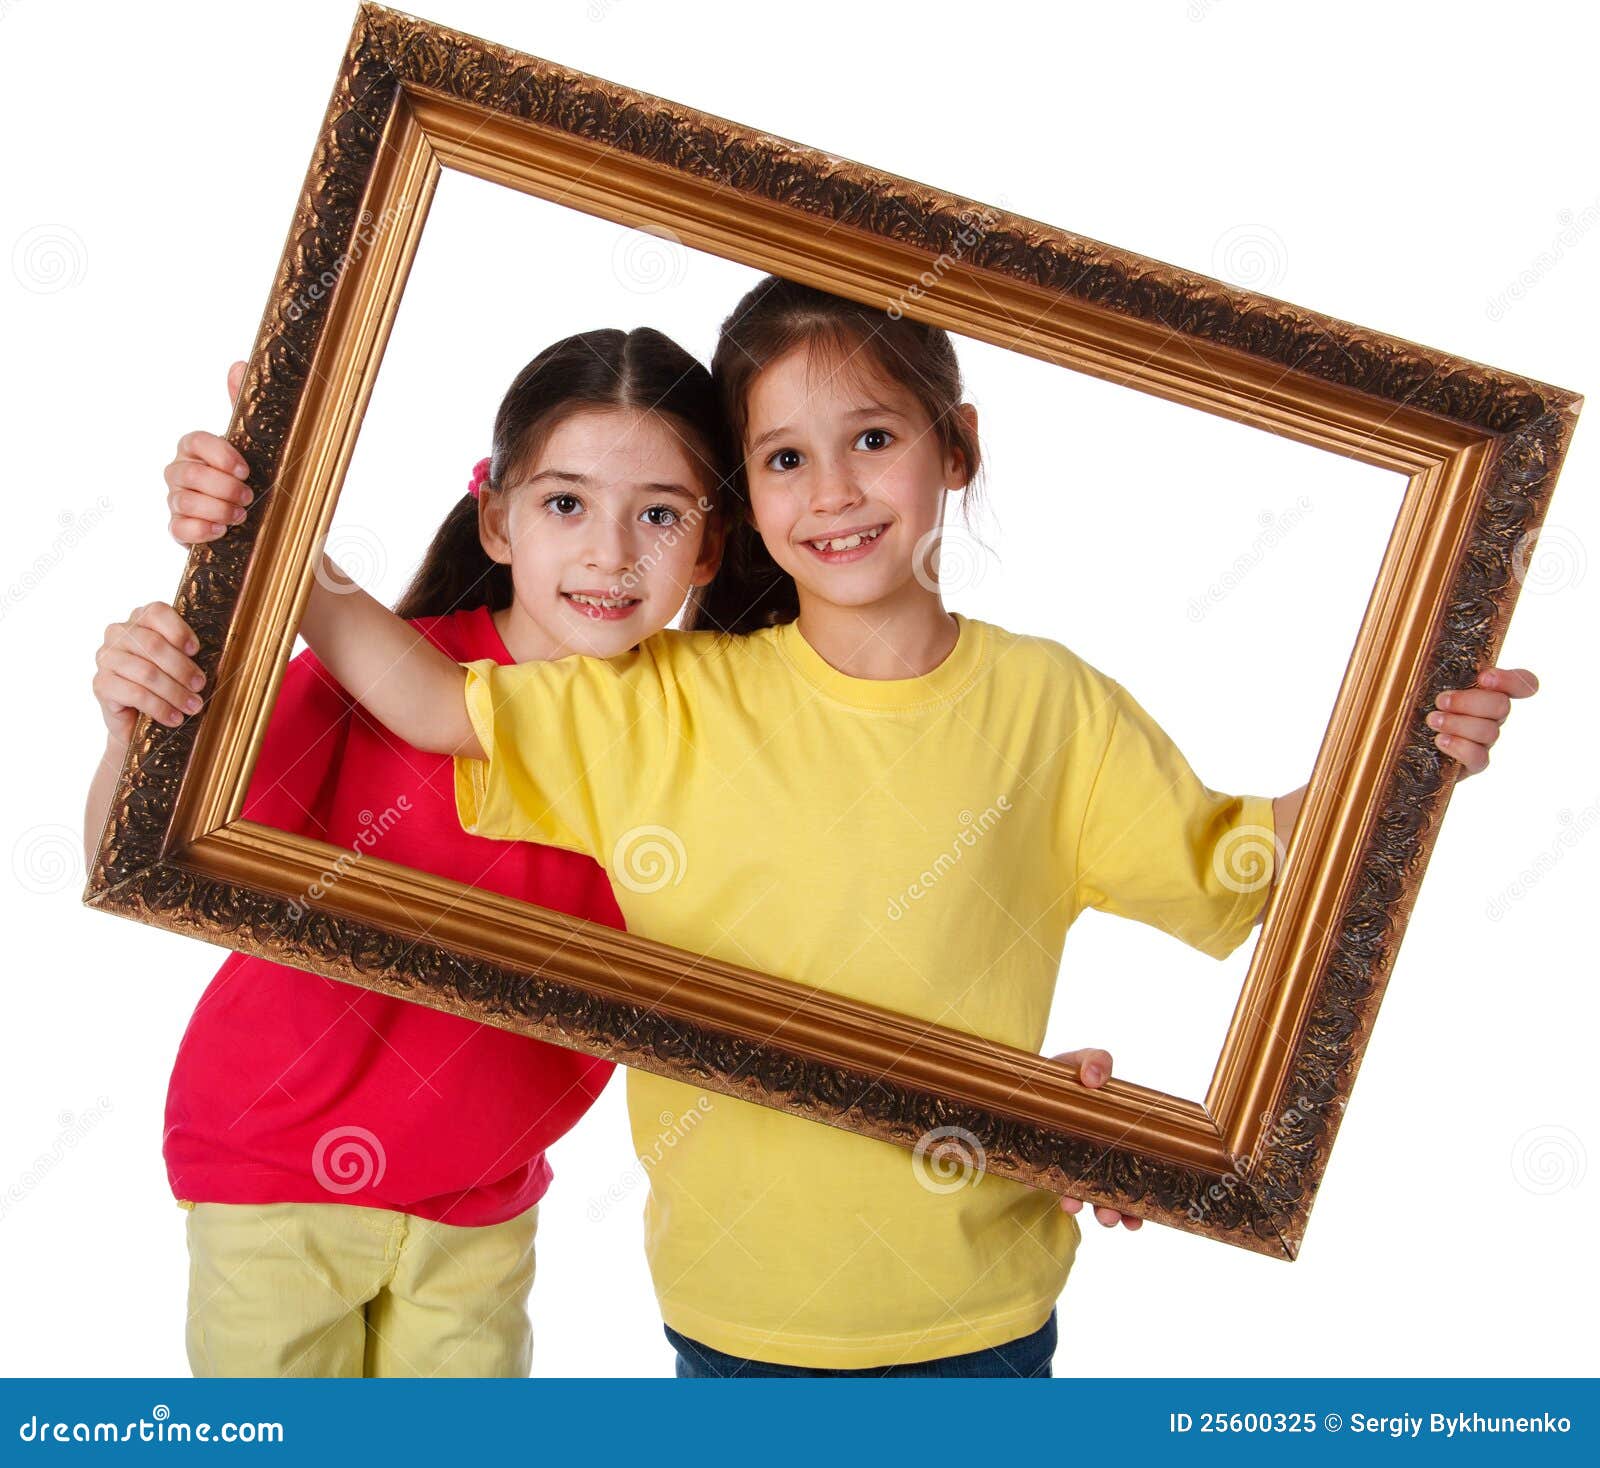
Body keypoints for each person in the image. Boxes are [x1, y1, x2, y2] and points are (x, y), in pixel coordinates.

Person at [152, 278, 1536, 1378]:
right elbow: (440, 699)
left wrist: (1402, 760)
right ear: (745, 507)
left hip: (975, 1312)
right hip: (734, 1318)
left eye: (873, 438)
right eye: (783, 457)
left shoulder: (1048, 707)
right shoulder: (670, 703)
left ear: (956, 448)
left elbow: (1244, 870)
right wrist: (275, 533)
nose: (834, 492)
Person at [84, 328, 738, 1376]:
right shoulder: (386, 675)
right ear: (498, 520)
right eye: (565, 503)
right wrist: (133, 732)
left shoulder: (705, 729)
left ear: (708, 548)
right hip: (275, 1172)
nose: (611, 551)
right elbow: (144, 866)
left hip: (479, 1204)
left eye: (659, 513)